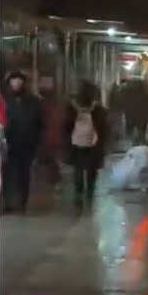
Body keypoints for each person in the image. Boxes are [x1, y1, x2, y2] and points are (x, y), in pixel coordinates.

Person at [1, 70, 44, 213]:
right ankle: (8, 202)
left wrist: (37, 142)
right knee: (7, 173)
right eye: (14, 80)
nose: (17, 83)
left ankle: (22, 202)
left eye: (20, 80)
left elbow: (40, 123)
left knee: (23, 173)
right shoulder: (4, 100)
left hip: (27, 143)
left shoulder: (34, 101)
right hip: (7, 142)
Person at [63, 80, 109, 212]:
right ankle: (89, 194)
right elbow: (104, 128)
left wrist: (66, 142)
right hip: (93, 144)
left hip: (76, 142)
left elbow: (66, 126)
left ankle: (78, 195)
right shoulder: (98, 109)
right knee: (91, 171)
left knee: (78, 169)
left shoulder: (72, 107)